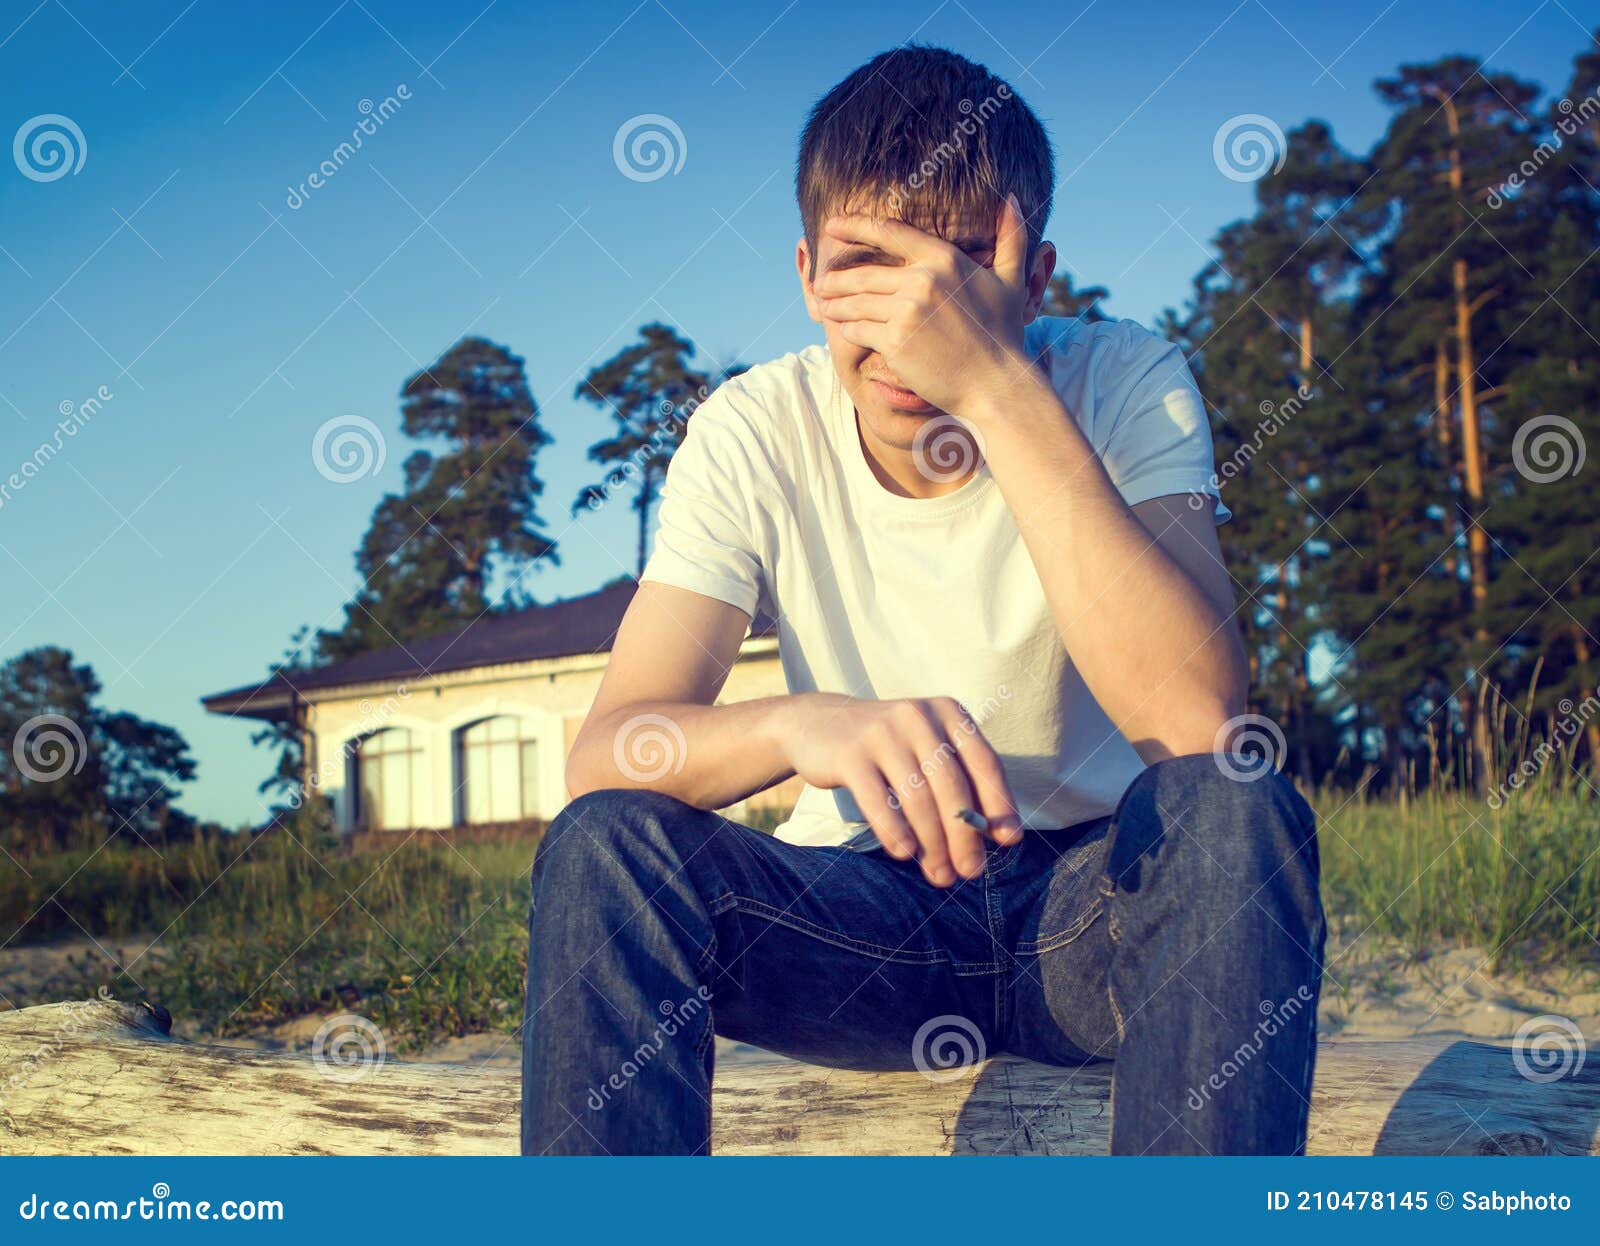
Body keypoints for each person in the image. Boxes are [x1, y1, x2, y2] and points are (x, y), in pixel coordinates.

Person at [522, 44, 1323, 1156]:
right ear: (807, 274)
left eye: (956, 272)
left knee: (1234, 806)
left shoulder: (1126, 378)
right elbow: (610, 754)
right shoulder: (753, 428)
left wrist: (993, 383)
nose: (910, 322)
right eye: (867, 270)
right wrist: (800, 726)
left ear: (1034, 280)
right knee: (604, 848)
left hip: (1103, 909)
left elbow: (1197, 725)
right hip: (864, 926)